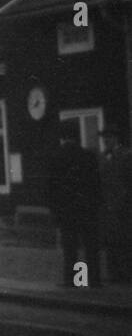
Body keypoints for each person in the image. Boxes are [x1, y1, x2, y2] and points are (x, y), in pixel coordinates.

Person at [45, 120, 102, 288]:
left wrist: (54, 210)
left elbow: (51, 188)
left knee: (71, 247)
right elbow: (96, 184)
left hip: (66, 211)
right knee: (90, 245)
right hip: (87, 209)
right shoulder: (89, 156)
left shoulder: (56, 156)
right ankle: (93, 280)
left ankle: (75, 280)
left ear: (62, 137)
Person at [98, 127, 132, 284]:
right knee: (110, 241)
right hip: (107, 207)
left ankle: (126, 274)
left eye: (108, 137)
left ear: (116, 138)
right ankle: (114, 274)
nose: (105, 141)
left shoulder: (127, 156)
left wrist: (122, 201)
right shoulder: (103, 157)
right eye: (104, 138)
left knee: (124, 241)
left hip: (123, 207)